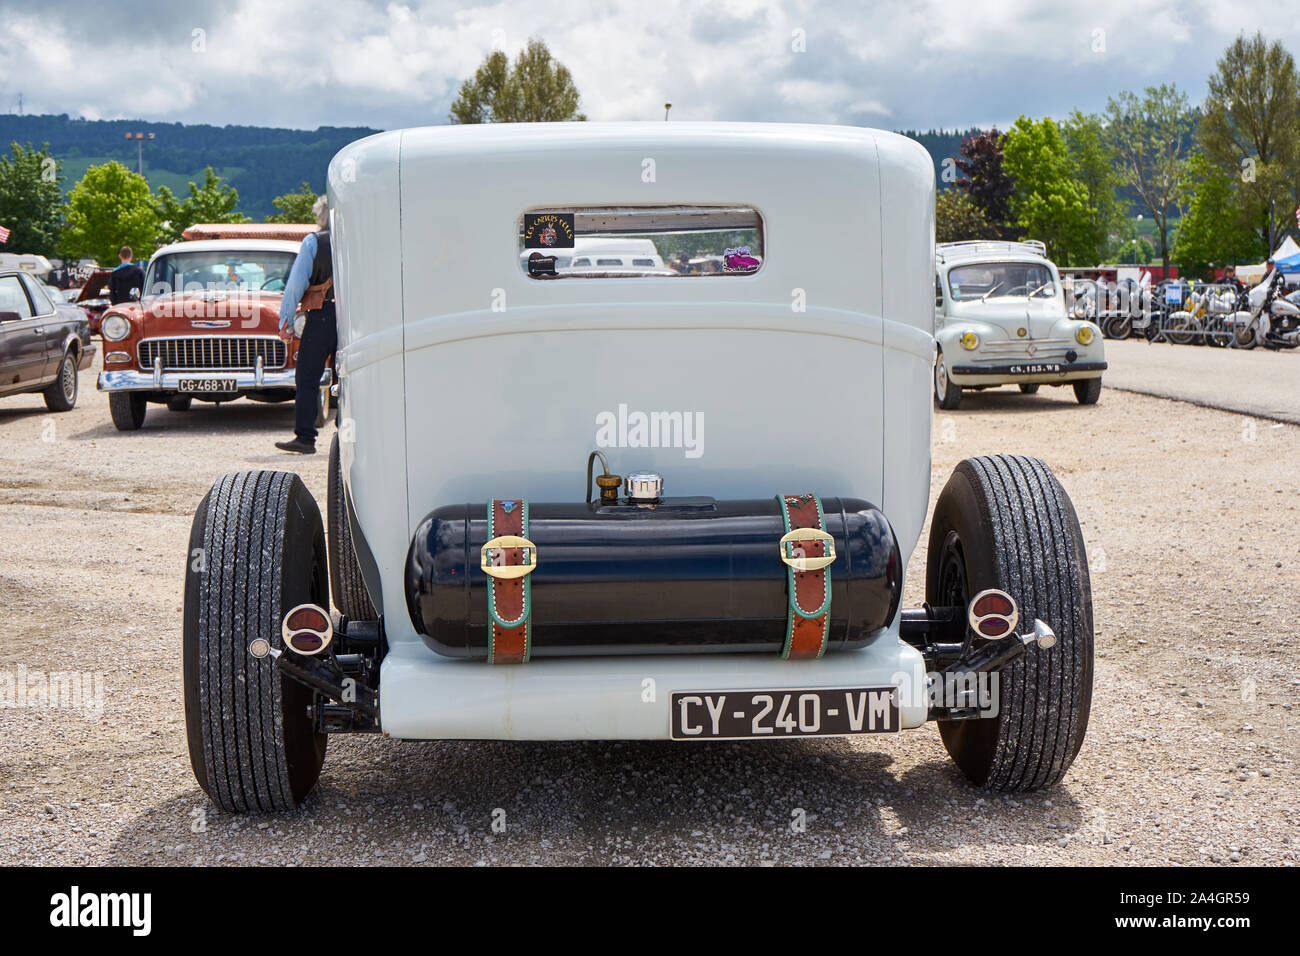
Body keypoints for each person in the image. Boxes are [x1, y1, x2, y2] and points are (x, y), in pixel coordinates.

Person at [274, 196, 335, 454]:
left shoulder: (315, 242)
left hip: (323, 315)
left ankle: (306, 438)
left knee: (308, 376)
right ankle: (351, 433)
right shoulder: (366, 238)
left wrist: (286, 322)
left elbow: (295, 287)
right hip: (360, 317)